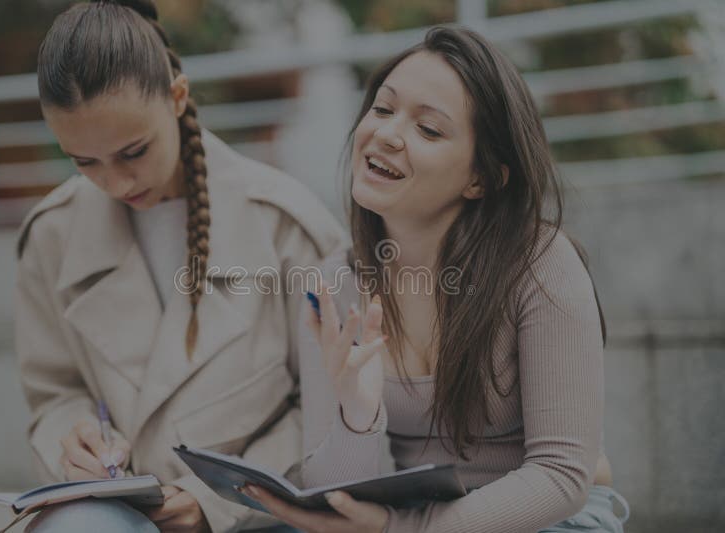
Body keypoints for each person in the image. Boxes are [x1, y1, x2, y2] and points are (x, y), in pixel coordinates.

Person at [244, 27, 629, 533]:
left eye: (428, 130)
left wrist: (406, 530)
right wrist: (356, 417)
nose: (385, 134)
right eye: (383, 109)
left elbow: (561, 476)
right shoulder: (334, 282)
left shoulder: (540, 264)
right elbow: (332, 493)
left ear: (482, 178)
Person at [15, 1, 346, 531]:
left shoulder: (285, 225)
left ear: (178, 96)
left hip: (261, 516)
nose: (117, 183)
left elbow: (330, 412)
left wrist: (213, 500)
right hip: (115, 513)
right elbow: (54, 392)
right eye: (84, 162)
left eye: (134, 151)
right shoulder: (50, 236)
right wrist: (73, 438)